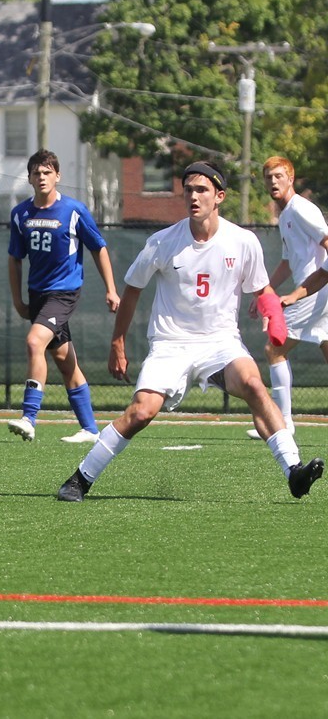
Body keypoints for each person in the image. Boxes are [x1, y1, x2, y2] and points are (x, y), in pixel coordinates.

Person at [56, 161, 324, 503]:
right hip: (171, 344)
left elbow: (262, 289)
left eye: (202, 190)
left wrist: (274, 314)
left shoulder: (243, 241)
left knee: (254, 384)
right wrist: (117, 343)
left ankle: (293, 470)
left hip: (220, 343)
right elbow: (132, 290)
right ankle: (80, 479)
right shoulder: (162, 241)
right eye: (188, 191)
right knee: (141, 411)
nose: (193, 197)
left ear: (219, 196)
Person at [7, 149, 120, 444]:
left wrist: (110, 288)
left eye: (47, 172)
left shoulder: (74, 210)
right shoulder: (20, 214)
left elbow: (98, 247)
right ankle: (90, 429)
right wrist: (18, 301)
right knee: (63, 359)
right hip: (38, 294)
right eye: (36, 173)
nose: (41, 177)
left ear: (58, 176)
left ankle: (29, 417)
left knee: (34, 342)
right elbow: (14, 258)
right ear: (29, 178)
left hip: (64, 292)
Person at [242, 156, 328, 440]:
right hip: (315, 291)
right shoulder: (285, 215)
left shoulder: (301, 209)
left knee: (274, 349)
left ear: (291, 179)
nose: (273, 181)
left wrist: (297, 294)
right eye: (269, 177)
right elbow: (288, 262)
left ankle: (282, 424)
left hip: (315, 292)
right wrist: (263, 291)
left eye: (279, 176)